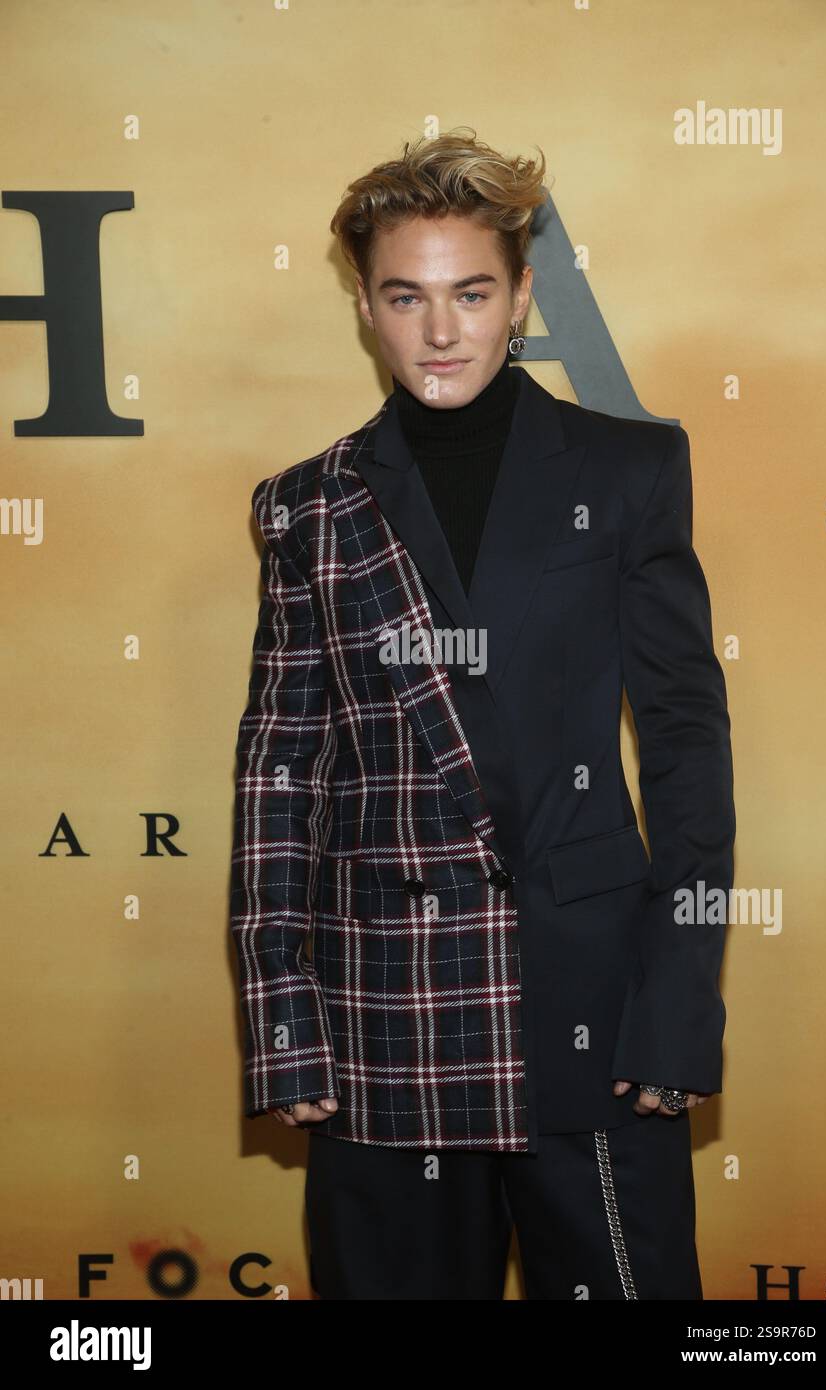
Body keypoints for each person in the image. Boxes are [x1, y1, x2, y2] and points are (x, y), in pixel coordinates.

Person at [229, 128, 735, 1300]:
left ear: (518, 298)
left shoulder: (627, 470)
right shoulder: (309, 508)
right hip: (379, 1015)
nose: (440, 330)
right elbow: (279, 772)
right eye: (406, 295)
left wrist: (674, 1005)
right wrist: (281, 1010)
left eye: (471, 292)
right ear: (365, 303)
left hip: (589, 1011)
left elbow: (684, 747)